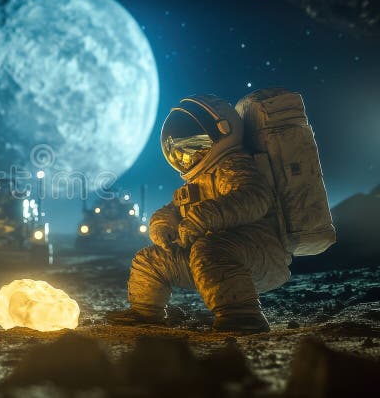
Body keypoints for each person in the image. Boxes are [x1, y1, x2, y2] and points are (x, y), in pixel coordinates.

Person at [107, 95, 291, 333]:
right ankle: (144, 313)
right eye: (182, 149)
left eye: (196, 145)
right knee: (150, 259)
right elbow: (173, 209)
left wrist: (201, 218)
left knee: (209, 248)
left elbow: (253, 198)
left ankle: (242, 316)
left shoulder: (234, 165)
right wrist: (162, 225)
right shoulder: (201, 178)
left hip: (259, 252)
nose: (188, 155)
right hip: (211, 259)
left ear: (222, 130)